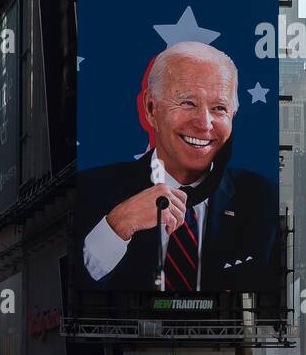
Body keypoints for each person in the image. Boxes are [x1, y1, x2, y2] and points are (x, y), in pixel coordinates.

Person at [79, 43, 280, 292]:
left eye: (219, 108)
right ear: (151, 109)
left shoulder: (264, 200)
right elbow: (70, 290)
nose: (205, 124)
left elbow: (274, 299)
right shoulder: (90, 190)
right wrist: (116, 227)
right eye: (187, 103)